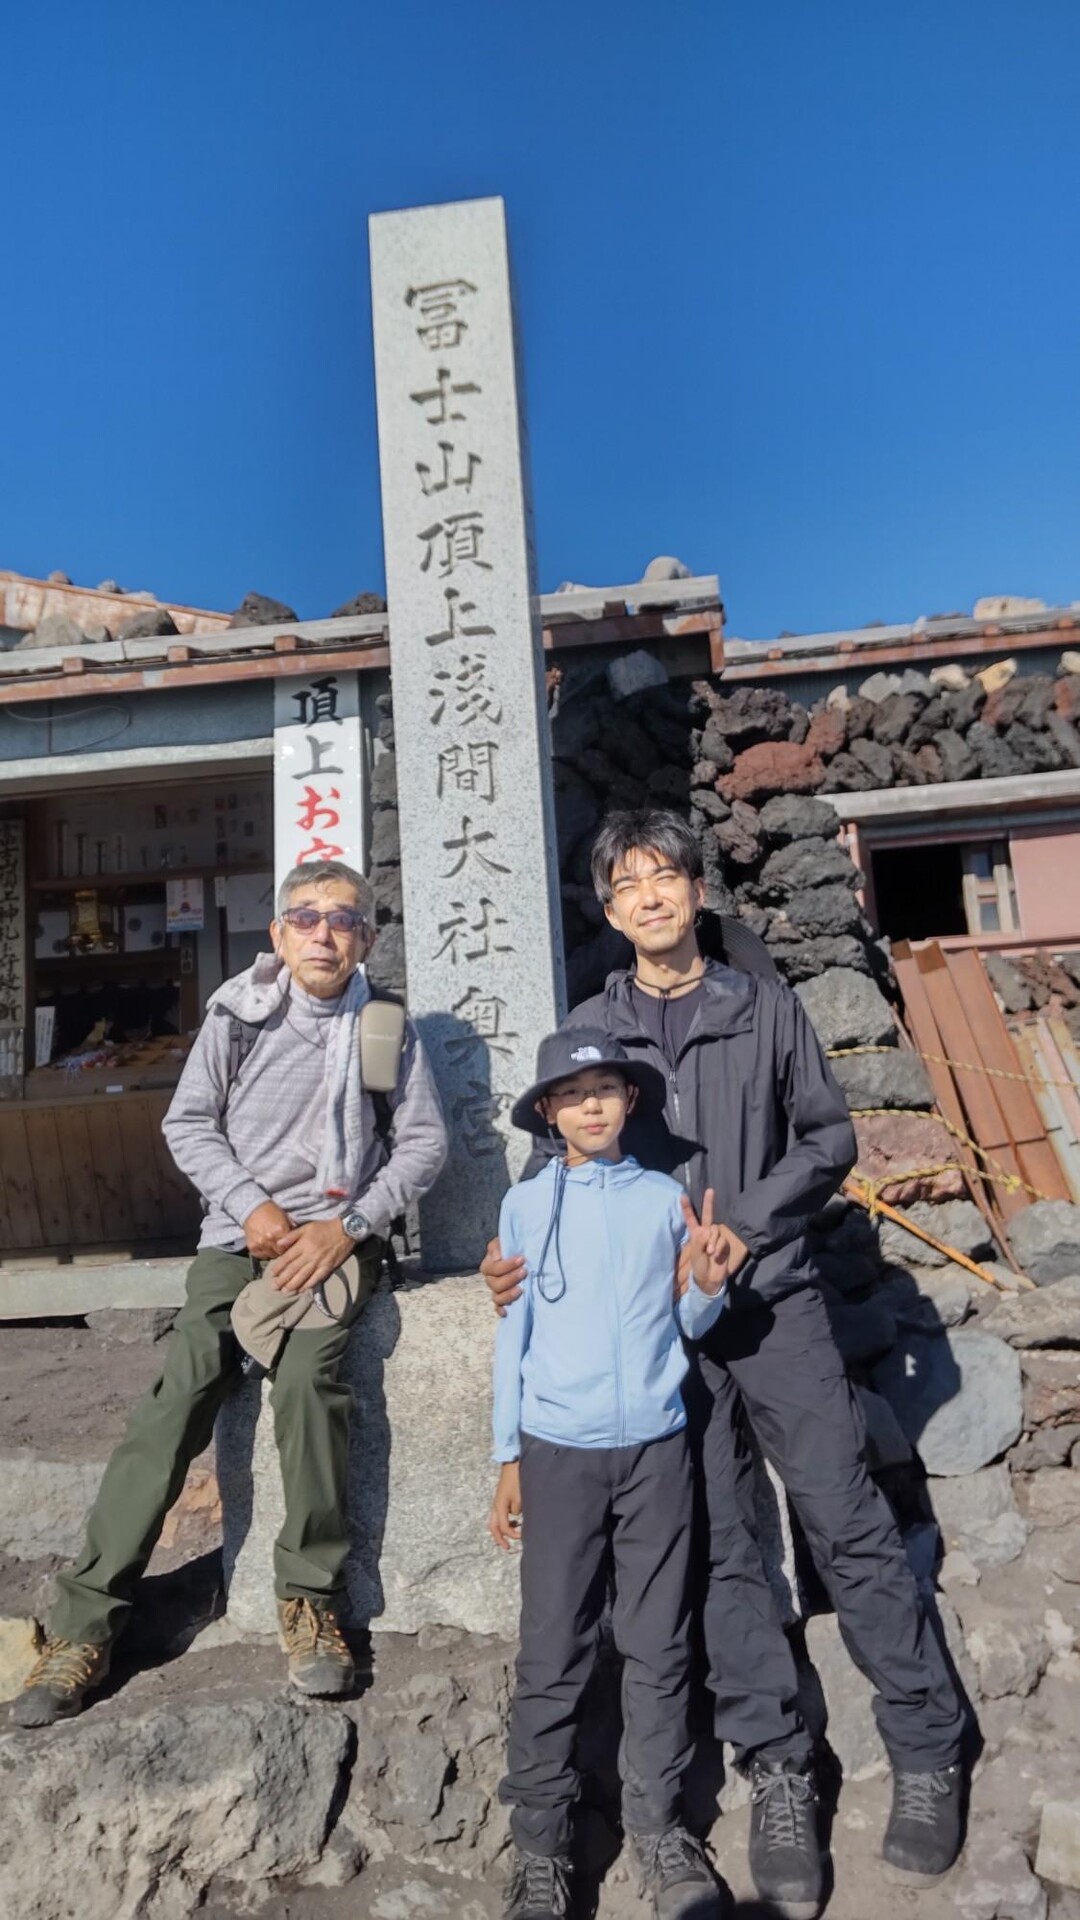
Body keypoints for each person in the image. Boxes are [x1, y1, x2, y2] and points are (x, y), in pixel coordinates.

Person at [482, 810, 966, 1918]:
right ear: (608, 912)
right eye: (627, 886)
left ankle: (929, 1745)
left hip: (776, 1304)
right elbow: (547, 1170)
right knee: (724, 1548)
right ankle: (780, 1768)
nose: (650, 898)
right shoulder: (596, 1025)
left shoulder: (764, 1007)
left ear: (698, 891)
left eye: (667, 877)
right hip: (662, 1340)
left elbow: (829, 1139)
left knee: (843, 1516)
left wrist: (746, 1223)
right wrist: (506, 1266)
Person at [13, 859, 447, 1727]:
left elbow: (423, 1144)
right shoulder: (238, 1015)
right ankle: (86, 1620)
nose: (325, 933)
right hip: (235, 1243)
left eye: (344, 920)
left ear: (365, 938)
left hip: (331, 1247)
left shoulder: (385, 1025)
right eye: (307, 918)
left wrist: (349, 1225)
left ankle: (312, 1602)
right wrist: (249, 1207)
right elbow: (188, 1122)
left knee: (310, 1388)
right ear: (279, 934)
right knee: (175, 1403)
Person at [490, 1028, 730, 1920]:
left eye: (608, 1088)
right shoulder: (525, 1207)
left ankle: (661, 1828)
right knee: (553, 1646)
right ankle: (542, 1849)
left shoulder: (666, 1199)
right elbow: (510, 1332)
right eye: (573, 1091)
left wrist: (706, 1282)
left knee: (661, 1641)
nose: (592, 1104)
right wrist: (505, 1454)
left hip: (659, 1446)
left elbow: (690, 1324)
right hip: (558, 1451)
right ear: (548, 1112)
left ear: (631, 1102)